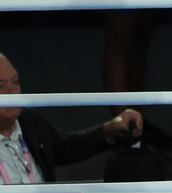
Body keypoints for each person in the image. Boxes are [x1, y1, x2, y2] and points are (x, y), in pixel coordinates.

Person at [0, 53, 143, 183]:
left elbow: (63, 148)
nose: (12, 92)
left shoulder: (29, 120)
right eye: (1, 85)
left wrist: (110, 129)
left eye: (15, 82)